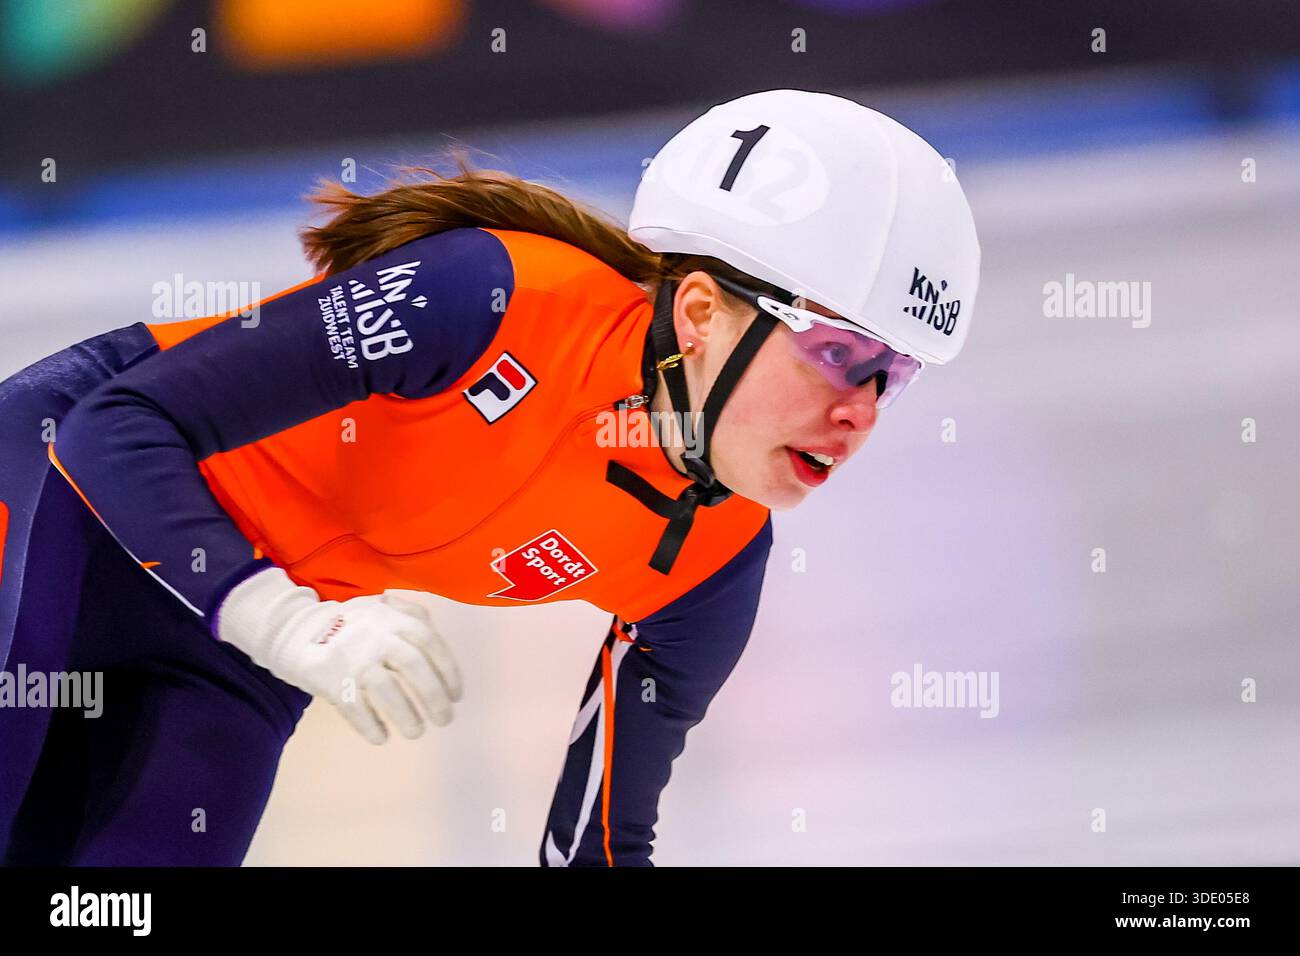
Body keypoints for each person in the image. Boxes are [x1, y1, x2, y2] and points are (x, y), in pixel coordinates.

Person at [0, 89, 980, 866]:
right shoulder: (494, 299)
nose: (860, 409)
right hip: (60, 497)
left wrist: (282, 625)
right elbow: (112, 427)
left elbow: (596, 842)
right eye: (841, 352)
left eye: (893, 375)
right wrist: (288, 619)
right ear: (698, 313)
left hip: (237, 651)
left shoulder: (710, 567)